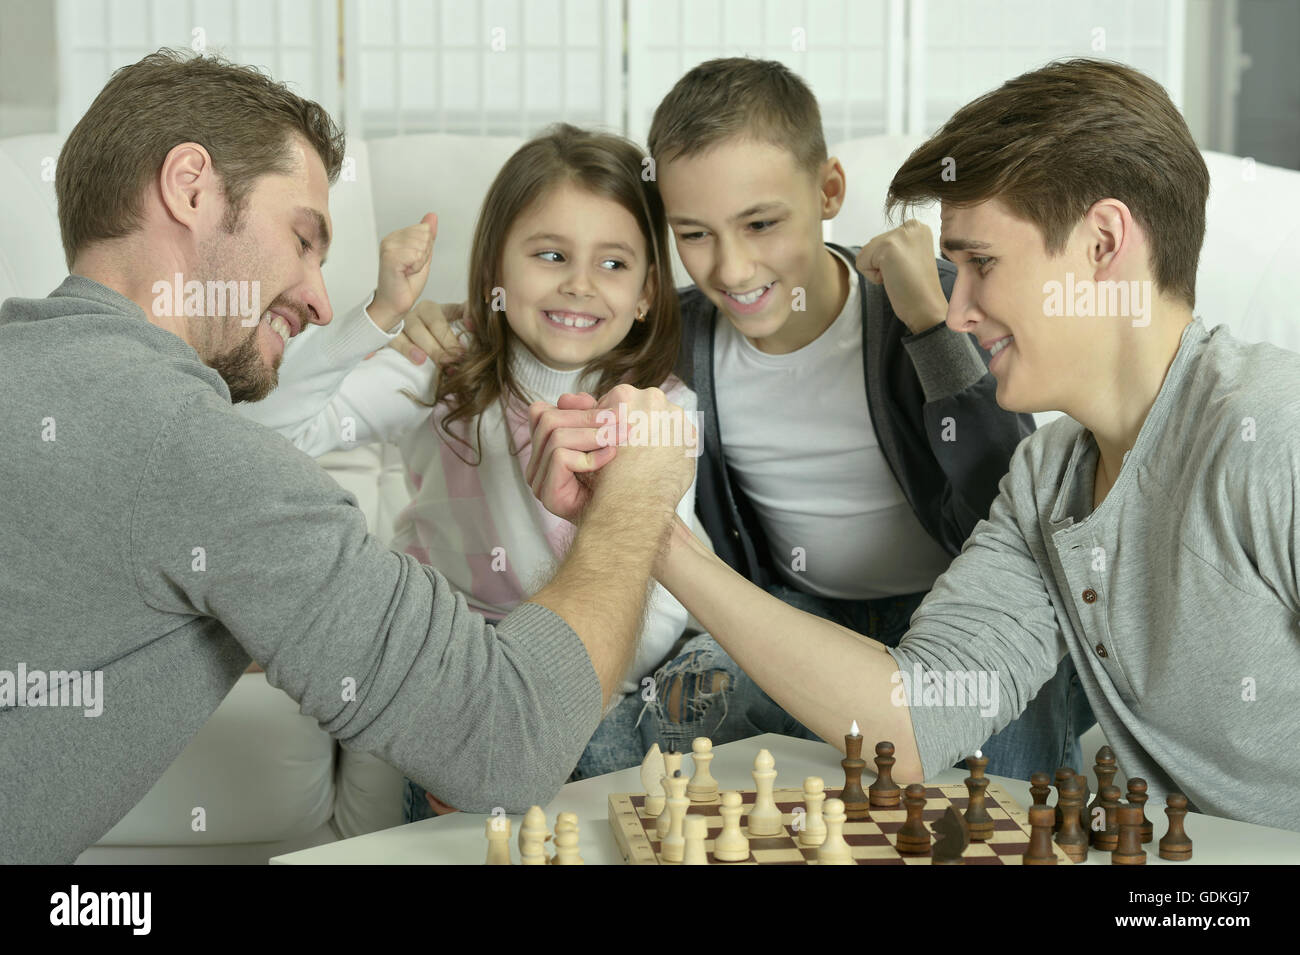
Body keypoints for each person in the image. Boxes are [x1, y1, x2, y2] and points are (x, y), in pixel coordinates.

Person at [528, 58, 1300, 832]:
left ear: (1102, 243)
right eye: (953, 268)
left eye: (981, 265)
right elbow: (915, 713)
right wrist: (648, 530)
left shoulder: (1276, 433)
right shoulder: (1046, 479)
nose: (953, 310)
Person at [0, 51, 693, 864]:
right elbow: (508, 743)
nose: (324, 298)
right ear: (190, 188)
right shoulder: (197, 453)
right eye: (303, 239)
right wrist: (634, 496)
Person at [238, 124, 699, 820]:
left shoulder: (662, 411)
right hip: (459, 665)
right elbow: (266, 430)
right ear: (496, 277)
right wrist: (378, 317)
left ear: (645, 294)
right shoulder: (438, 375)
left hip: (593, 670)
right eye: (550, 255)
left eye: (612, 264)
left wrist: (569, 687)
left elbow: (666, 599)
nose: (578, 283)